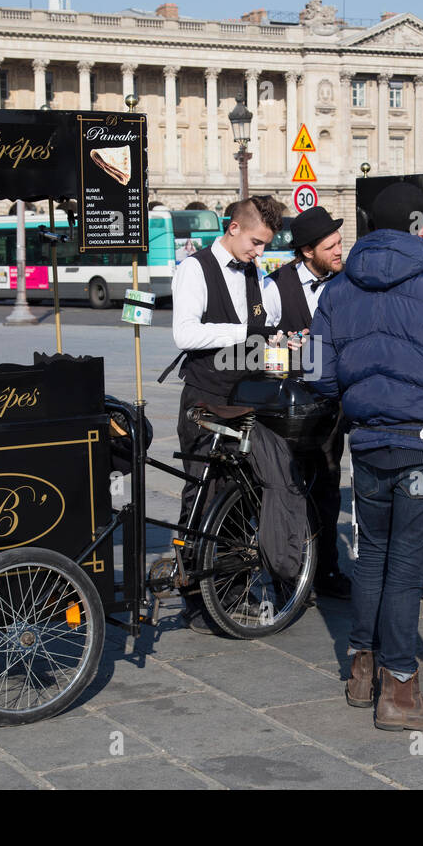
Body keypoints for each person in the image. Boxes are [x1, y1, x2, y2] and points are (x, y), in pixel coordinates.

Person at [311, 182, 423, 731]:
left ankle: (361, 670)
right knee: (406, 566)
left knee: (372, 556)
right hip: (422, 443)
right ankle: (400, 693)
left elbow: (318, 377)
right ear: (421, 226)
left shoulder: (337, 289)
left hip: (366, 442)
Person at [167, 195, 285, 628]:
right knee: (201, 493)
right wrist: (248, 331)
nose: (260, 252)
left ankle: (232, 592)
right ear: (232, 227)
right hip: (205, 399)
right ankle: (194, 597)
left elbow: (267, 331)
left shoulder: (261, 277)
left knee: (241, 498)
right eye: (256, 241)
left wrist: (281, 347)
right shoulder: (194, 268)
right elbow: (185, 334)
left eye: (266, 245)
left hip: (248, 400)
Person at [267, 205, 349, 598]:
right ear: (306, 251)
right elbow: (260, 352)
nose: (339, 251)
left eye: (339, 243)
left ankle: (328, 570)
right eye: (330, 246)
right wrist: (287, 352)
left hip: (332, 408)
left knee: (329, 487)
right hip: (291, 409)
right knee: (288, 489)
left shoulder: (346, 283)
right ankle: (288, 575)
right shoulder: (274, 287)